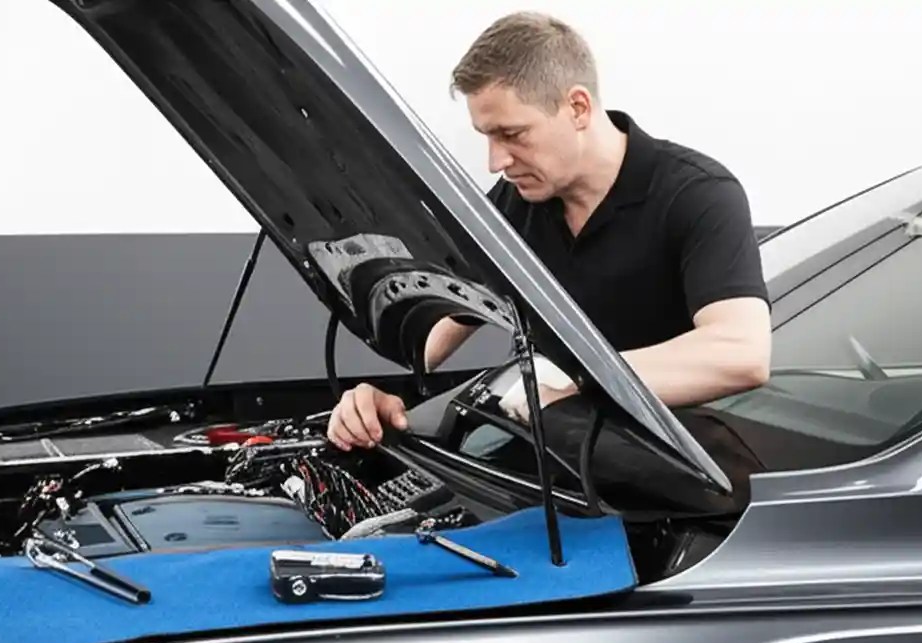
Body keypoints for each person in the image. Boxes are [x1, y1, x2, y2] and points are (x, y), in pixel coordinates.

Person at [328, 10, 771, 451]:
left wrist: (577, 374)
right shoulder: (513, 205)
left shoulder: (695, 195)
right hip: (549, 467)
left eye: (512, 134)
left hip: (669, 492)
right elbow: (431, 341)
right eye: (487, 136)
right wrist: (378, 400)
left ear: (577, 107)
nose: (495, 161)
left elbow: (740, 354)